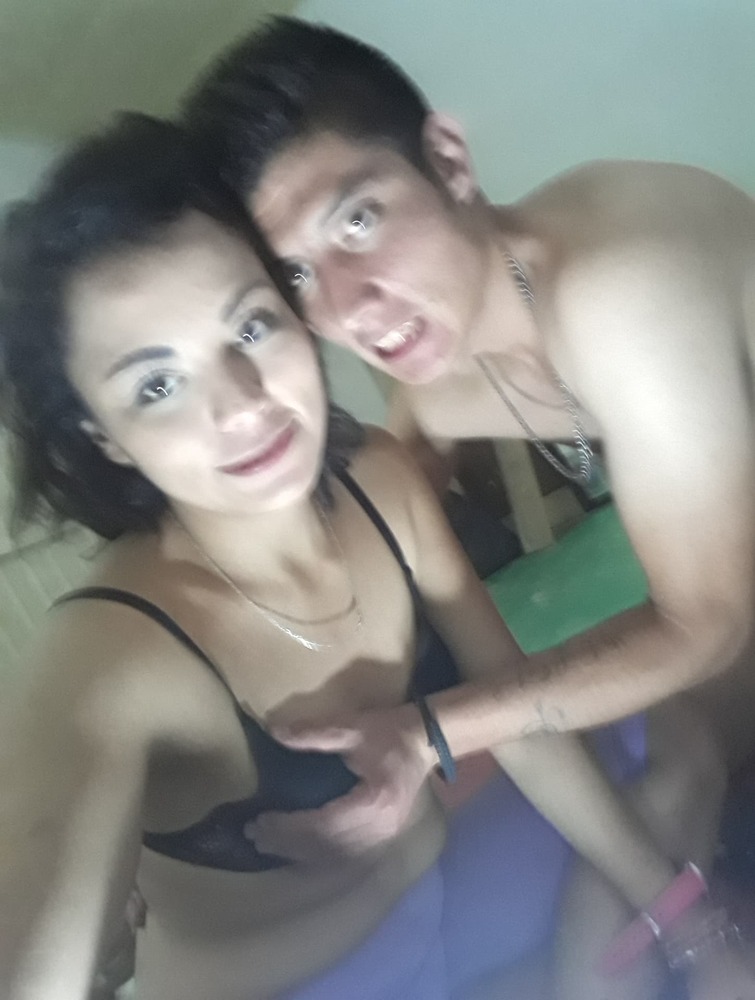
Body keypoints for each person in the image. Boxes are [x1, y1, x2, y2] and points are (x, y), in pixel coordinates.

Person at [0, 112, 748, 1000]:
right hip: (309, 983)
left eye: (251, 328)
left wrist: (685, 922)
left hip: (458, 895)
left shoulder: (381, 481)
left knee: (675, 742)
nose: (243, 405)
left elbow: (521, 725)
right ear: (105, 435)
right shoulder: (107, 658)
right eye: (158, 385)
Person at [183, 14, 755, 855]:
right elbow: (385, 507)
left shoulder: (614, 289)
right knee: (658, 770)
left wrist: (427, 732)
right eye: (295, 275)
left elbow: (706, 621)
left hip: (724, 600)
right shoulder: (435, 379)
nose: (348, 308)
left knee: (672, 771)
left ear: (448, 161)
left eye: (357, 222)